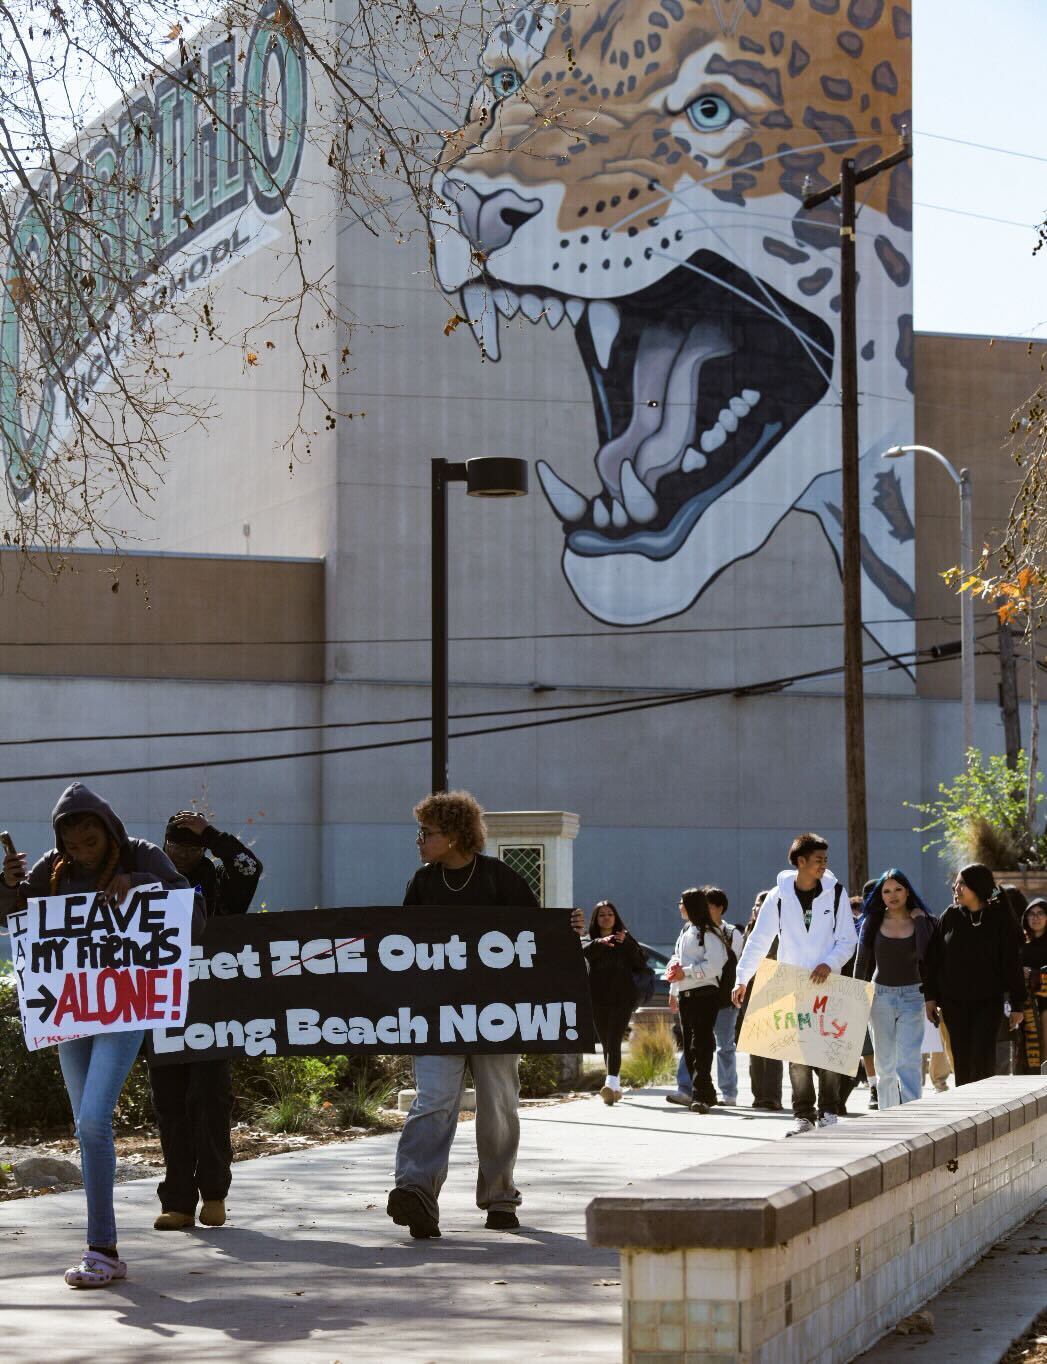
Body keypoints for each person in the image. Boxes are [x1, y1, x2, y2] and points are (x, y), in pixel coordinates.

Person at [0, 784, 192, 1289]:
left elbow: (191, 907)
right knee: (88, 1129)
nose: (82, 853)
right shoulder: (52, 869)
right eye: (73, 845)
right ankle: (102, 1246)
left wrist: (141, 880)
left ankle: (102, 1247)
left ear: (109, 831)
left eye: (91, 842)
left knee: (92, 1120)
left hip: (127, 1008)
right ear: (60, 841)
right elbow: (15, 920)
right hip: (71, 1011)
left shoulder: (142, 854)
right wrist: (10, 886)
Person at [387, 790, 584, 1240]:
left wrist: (565, 930)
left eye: (427, 833)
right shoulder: (422, 883)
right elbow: (400, 944)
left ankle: (499, 1197)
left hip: (498, 1015)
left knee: (498, 1105)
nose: (419, 840)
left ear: (454, 837)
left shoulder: (501, 880)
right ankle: (416, 1191)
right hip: (438, 1015)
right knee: (433, 1100)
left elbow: (534, 940)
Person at [148, 811, 263, 1231]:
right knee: (170, 1103)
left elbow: (249, 867)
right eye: (174, 848)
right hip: (160, 1005)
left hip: (213, 1005)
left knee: (211, 1098)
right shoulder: (147, 876)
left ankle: (214, 1194)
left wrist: (213, 834)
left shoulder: (217, 881)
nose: (180, 856)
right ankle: (177, 1199)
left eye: (191, 849)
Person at [732, 833, 856, 1136]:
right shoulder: (778, 896)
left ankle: (828, 1111)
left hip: (828, 984)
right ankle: (803, 1115)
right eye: (818, 860)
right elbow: (759, 940)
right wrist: (742, 978)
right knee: (797, 1056)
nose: (823, 866)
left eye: (826, 860)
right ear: (800, 862)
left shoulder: (836, 893)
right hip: (793, 985)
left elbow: (848, 939)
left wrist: (830, 962)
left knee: (828, 1053)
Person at [922, 864, 1026, 1086]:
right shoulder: (950, 916)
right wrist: (930, 996)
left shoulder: (1000, 920)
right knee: (961, 1058)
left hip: (988, 1003)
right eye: (956, 883)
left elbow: (1011, 964)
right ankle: (965, 1112)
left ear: (978, 887)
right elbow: (932, 960)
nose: (956, 888)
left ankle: (983, 1110)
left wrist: (1018, 1003)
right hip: (953, 1003)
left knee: (982, 1057)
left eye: (962, 884)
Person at [854, 869, 935, 1108]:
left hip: (913, 996)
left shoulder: (922, 920)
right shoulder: (872, 921)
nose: (893, 895)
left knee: (908, 1061)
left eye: (898, 889)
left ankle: (912, 1115)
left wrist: (919, 920)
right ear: (880, 895)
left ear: (907, 891)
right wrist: (856, 997)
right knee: (885, 1064)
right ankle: (887, 1115)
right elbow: (861, 962)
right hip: (880, 997)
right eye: (886, 891)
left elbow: (925, 954)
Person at [665, 888, 728, 1115]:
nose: (679, 906)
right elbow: (676, 961)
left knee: (700, 1045)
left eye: (682, 903)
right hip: (686, 996)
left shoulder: (709, 934)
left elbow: (715, 966)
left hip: (704, 995)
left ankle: (701, 1094)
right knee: (691, 1049)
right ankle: (703, 1092)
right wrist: (674, 989)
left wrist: (688, 973)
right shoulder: (686, 931)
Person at [583, 900, 646, 1105]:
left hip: (622, 997)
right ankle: (615, 1087)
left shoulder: (625, 939)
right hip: (598, 997)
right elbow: (585, 951)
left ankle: (609, 1084)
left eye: (610, 914)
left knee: (614, 1038)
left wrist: (626, 942)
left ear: (616, 917)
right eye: (602, 915)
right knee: (605, 1041)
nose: (606, 917)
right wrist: (600, 943)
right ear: (596, 920)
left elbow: (639, 962)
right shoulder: (592, 941)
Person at [732, 890, 783, 1111]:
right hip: (751, 989)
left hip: (773, 988)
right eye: (755, 905)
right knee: (755, 1046)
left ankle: (772, 1095)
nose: (757, 909)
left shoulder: (778, 930)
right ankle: (759, 1094)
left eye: (762, 905)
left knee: (771, 1047)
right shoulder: (749, 930)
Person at [702, 887, 744, 1106]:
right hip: (701, 996)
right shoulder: (695, 931)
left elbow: (738, 965)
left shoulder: (732, 934)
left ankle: (729, 1093)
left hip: (724, 998)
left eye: (710, 906)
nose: (706, 911)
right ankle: (694, 1088)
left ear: (720, 908)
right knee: (697, 1044)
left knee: (725, 1046)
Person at [1017, 898, 1047, 1074]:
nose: (1036, 918)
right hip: (1026, 1006)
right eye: (1032, 914)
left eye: (1040, 913)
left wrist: (1035, 973)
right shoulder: (1021, 945)